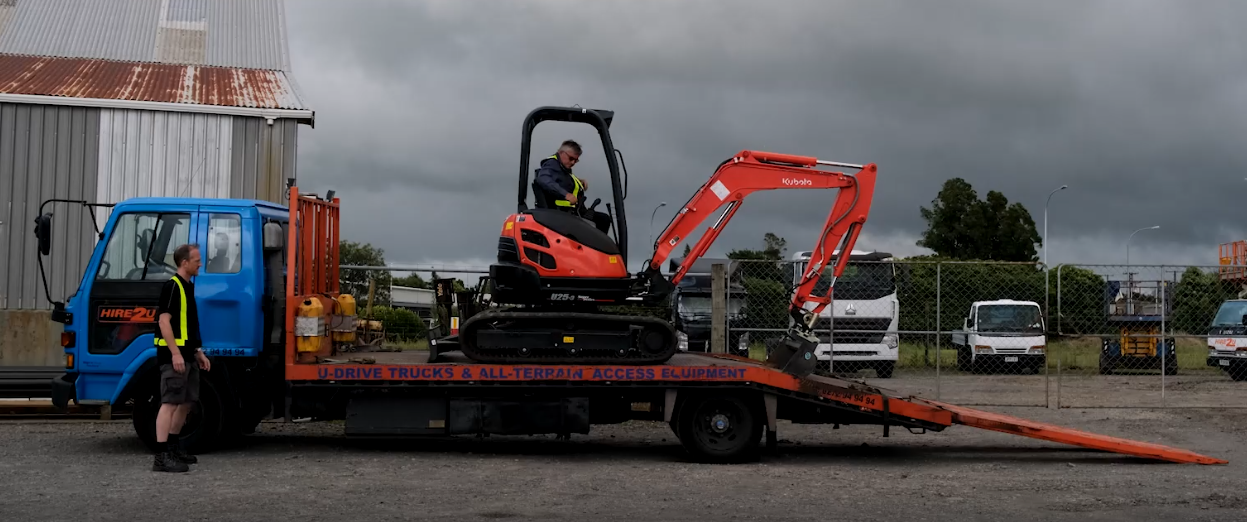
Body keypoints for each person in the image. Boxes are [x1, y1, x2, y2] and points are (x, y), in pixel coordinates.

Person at [151, 243, 211, 473]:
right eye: (197, 260)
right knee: (169, 403)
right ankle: (161, 456)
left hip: (188, 355)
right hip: (173, 356)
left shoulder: (188, 287)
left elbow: (187, 325)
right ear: (184, 262)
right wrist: (175, 353)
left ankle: (174, 447)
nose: (200, 263)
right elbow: (164, 322)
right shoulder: (172, 287)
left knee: (186, 402)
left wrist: (198, 352)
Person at [535, 139, 612, 234]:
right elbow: (543, 179)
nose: (573, 163)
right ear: (561, 153)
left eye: (576, 160)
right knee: (602, 221)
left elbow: (561, 180)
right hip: (562, 214)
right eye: (571, 158)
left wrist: (578, 181)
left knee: (603, 219)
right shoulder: (552, 164)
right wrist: (566, 194)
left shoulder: (562, 168)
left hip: (572, 212)